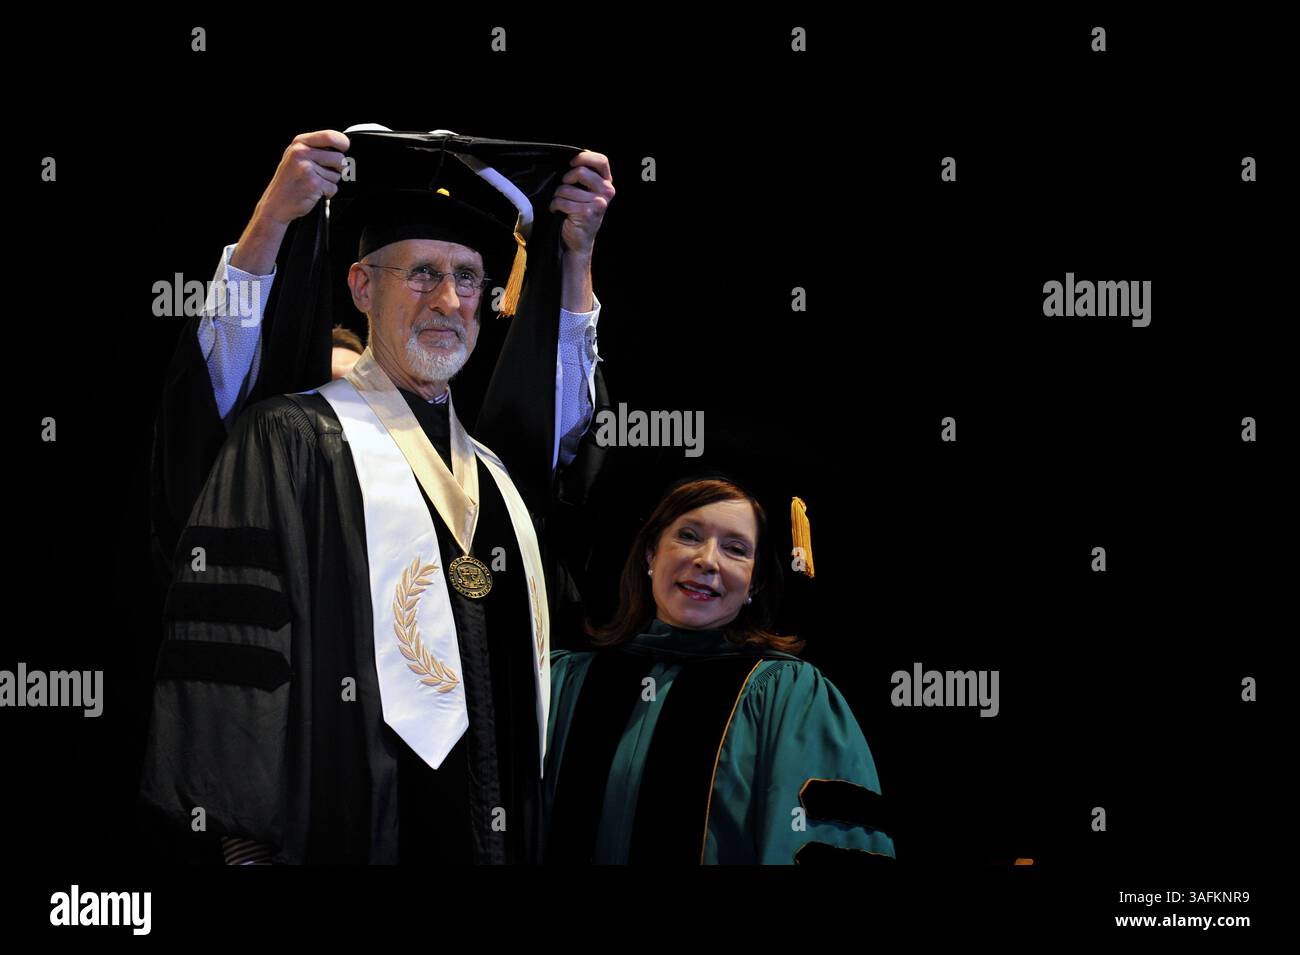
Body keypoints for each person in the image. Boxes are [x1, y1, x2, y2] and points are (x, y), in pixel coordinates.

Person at [139, 129, 616, 865]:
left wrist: (575, 255)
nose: (449, 299)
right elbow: (203, 414)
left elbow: (568, 433)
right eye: (422, 273)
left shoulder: (494, 476)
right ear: (362, 287)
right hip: (346, 826)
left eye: (466, 278)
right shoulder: (293, 438)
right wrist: (270, 221)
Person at [544, 478, 896, 864]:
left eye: (736, 549)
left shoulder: (789, 696)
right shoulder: (567, 680)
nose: (707, 561)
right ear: (650, 555)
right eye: (689, 536)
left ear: (754, 583)